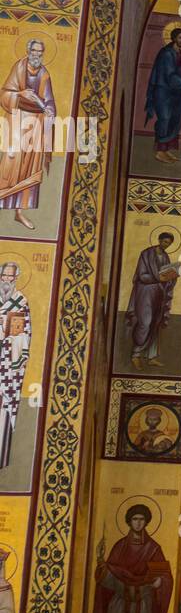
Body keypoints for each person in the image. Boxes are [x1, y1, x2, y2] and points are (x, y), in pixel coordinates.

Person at [0, 37, 57, 226]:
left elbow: (49, 100)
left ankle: (19, 211)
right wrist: (20, 94)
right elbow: (5, 93)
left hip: (35, 125)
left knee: (29, 169)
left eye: (40, 53)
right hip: (16, 122)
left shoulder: (44, 74)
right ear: (28, 51)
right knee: (11, 163)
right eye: (34, 51)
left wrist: (49, 111)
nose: (37, 55)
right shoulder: (19, 68)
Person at [125, 231, 179, 370]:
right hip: (145, 293)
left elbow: (165, 274)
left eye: (169, 243)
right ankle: (135, 355)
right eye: (165, 242)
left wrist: (171, 276)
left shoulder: (165, 256)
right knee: (145, 322)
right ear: (159, 240)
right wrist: (158, 278)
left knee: (156, 322)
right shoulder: (146, 254)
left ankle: (151, 356)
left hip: (159, 294)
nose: (166, 245)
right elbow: (142, 276)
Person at [0, 262, 31, 471]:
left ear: (16, 278)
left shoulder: (20, 301)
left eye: (11, 277)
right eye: (4, 276)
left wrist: (7, 336)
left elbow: (22, 333)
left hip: (7, 365)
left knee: (4, 408)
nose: (6, 280)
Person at [145, 27, 181, 163]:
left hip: (176, 92)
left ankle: (166, 149)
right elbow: (169, 74)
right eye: (180, 38)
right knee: (164, 118)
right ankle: (160, 151)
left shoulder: (180, 54)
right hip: (163, 91)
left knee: (175, 119)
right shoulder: (166, 53)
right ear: (174, 38)